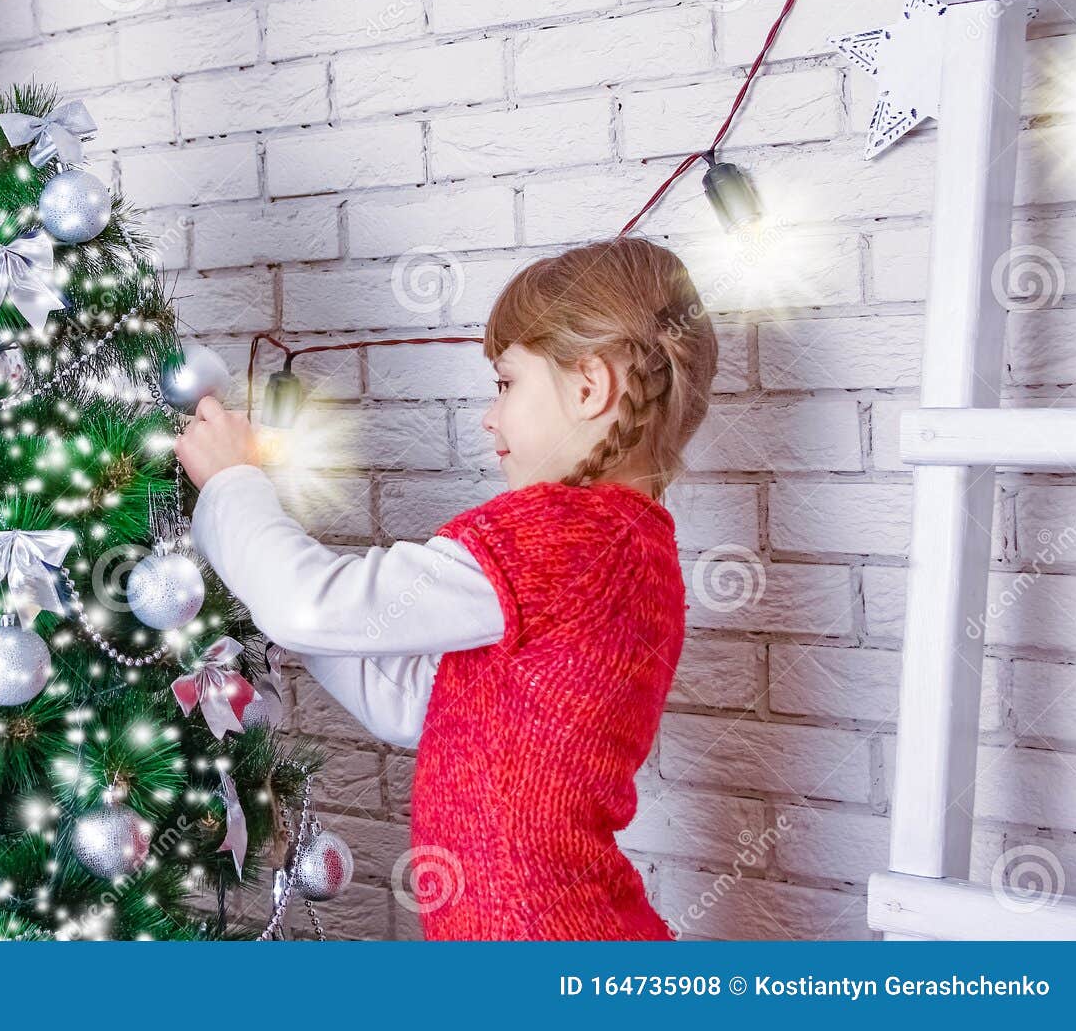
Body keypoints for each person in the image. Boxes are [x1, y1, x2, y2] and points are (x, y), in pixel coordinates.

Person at [174, 237, 719, 940]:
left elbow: (311, 603)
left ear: (590, 386)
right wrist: (289, 620)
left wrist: (229, 482)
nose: (490, 417)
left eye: (506, 383)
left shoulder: (565, 535)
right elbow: (416, 704)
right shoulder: (624, 549)